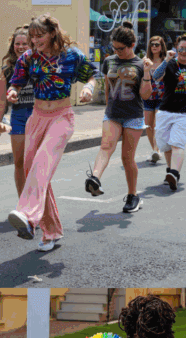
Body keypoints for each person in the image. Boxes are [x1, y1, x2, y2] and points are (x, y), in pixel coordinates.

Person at [5, 14, 100, 250]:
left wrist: (88, 87)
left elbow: (92, 74)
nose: (35, 40)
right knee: (32, 170)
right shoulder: (28, 58)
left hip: (61, 117)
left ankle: (27, 214)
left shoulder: (71, 55)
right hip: (36, 118)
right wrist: (14, 91)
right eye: (32, 36)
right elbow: (16, 81)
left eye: (40, 35)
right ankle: (52, 231)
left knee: (41, 163)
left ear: (52, 33)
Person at [85, 23, 148, 213]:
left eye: (121, 48)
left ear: (132, 45)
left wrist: (147, 73)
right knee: (105, 146)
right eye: (115, 48)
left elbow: (145, 96)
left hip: (133, 116)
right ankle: (94, 178)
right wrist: (107, 108)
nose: (117, 51)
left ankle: (133, 195)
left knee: (127, 159)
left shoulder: (140, 64)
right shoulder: (109, 61)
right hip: (112, 114)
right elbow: (107, 88)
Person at [150, 34, 186, 192]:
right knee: (165, 145)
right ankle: (170, 171)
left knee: (177, 143)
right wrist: (166, 59)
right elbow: (156, 77)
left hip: (184, 113)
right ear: (176, 48)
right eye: (181, 48)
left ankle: (174, 173)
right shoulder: (170, 64)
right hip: (165, 110)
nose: (184, 51)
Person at [0, 26, 33, 197]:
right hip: (18, 116)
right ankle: (23, 203)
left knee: (35, 164)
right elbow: (2, 102)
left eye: (24, 43)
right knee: (19, 163)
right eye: (17, 43)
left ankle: (38, 203)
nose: (20, 47)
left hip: (38, 116)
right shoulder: (7, 69)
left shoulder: (39, 65)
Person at [141, 36, 167, 164]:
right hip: (148, 96)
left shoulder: (166, 61)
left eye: (157, 44)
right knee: (149, 125)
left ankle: (157, 150)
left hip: (162, 97)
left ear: (162, 46)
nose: (154, 46)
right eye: (152, 44)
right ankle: (154, 150)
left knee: (157, 125)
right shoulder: (145, 61)